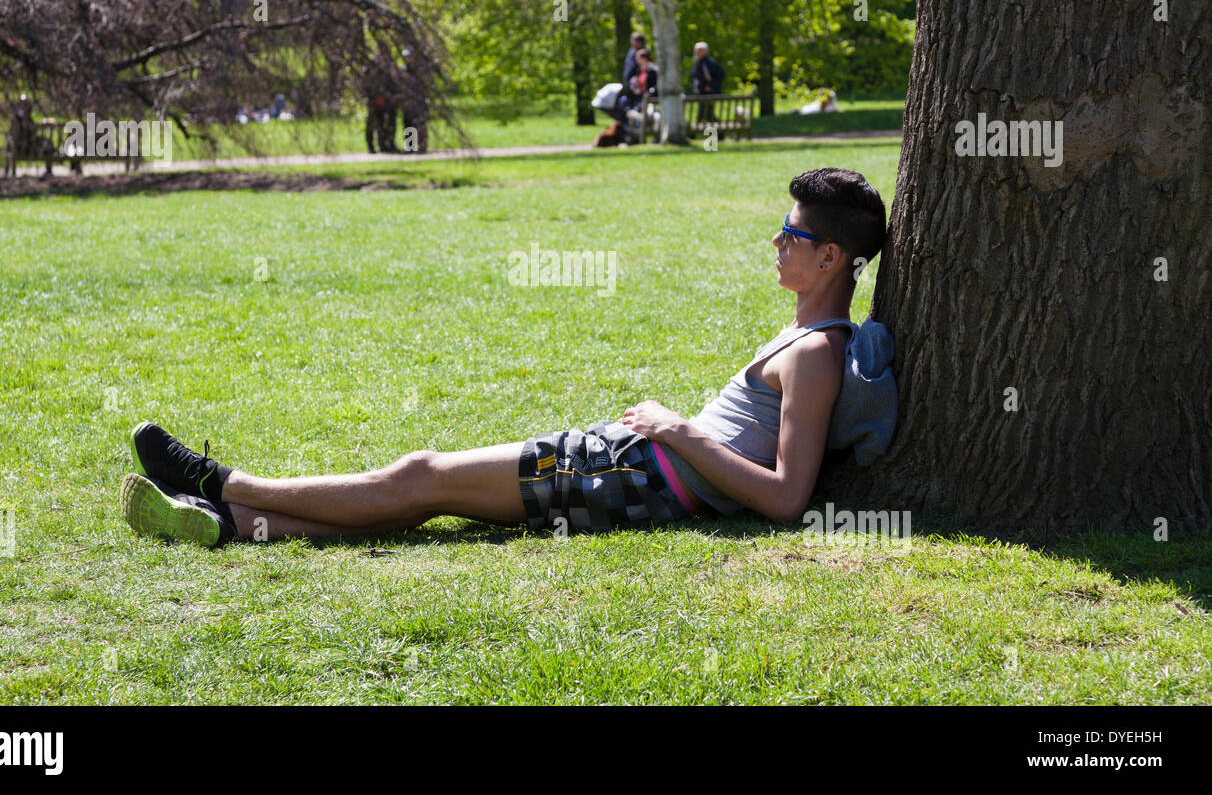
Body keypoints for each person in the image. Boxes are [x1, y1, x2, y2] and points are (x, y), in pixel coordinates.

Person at [118, 168, 892, 546]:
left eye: (789, 236)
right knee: (425, 502)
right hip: (631, 470)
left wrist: (673, 429)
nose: (775, 243)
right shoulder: (807, 342)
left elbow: (787, 499)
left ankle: (219, 481)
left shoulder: (816, 355)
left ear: (829, 258)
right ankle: (222, 523)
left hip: (633, 475)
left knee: (419, 478)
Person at [690, 41, 726, 125]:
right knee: (707, 113)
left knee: (704, 113)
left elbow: (721, 75)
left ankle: (692, 134)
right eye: (696, 50)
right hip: (701, 93)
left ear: (705, 51)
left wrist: (711, 86)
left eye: (699, 50)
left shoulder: (709, 63)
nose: (697, 52)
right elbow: (694, 78)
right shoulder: (696, 63)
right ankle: (720, 133)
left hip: (709, 93)